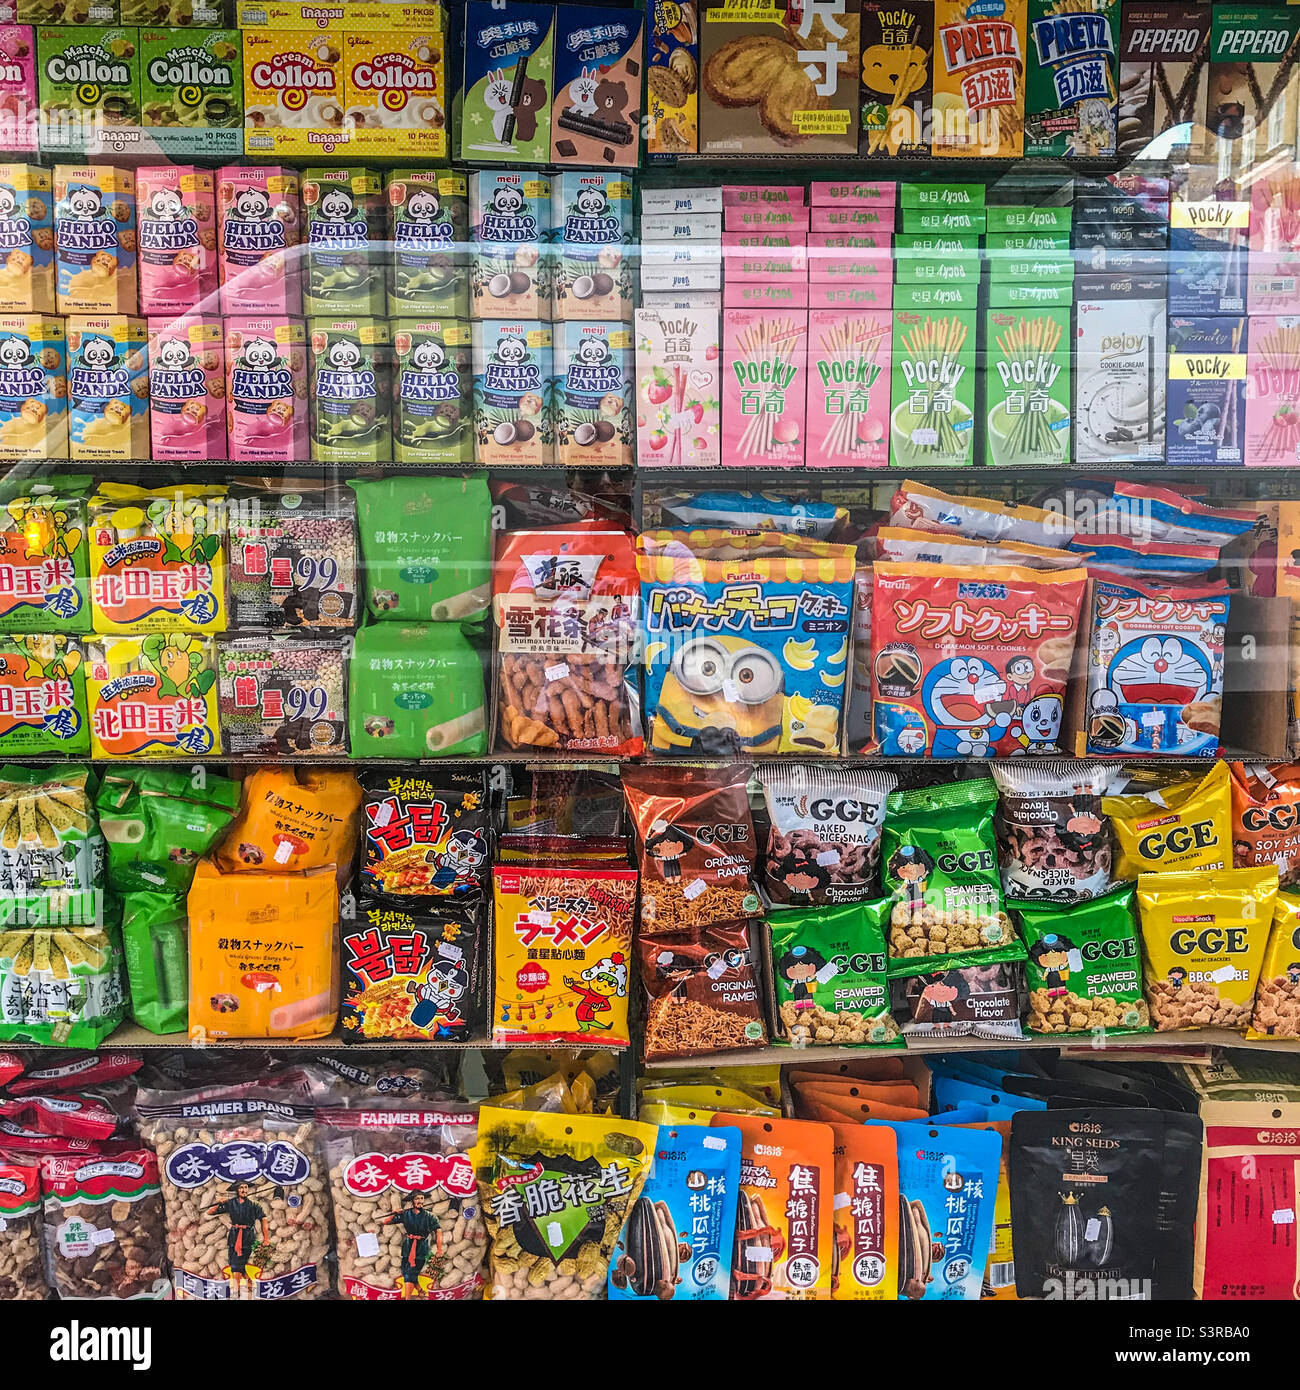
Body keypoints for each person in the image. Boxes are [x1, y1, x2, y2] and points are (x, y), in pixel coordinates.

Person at [206, 1180, 269, 1296]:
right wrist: (220, 1203)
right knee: (234, 1262)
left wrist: (266, 1238)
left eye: (246, 1187)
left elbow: (263, 1219)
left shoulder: (254, 1205)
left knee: (237, 1264)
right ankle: (249, 1284)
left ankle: (235, 1292)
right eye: (241, 1188)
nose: (244, 1190)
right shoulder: (231, 1203)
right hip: (234, 1236)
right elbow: (210, 1212)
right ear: (237, 1190)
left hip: (247, 1236)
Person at [379, 1190, 442, 1298]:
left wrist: (439, 1249)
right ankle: (421, 1291)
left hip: (421, 1248)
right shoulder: (406, 1214)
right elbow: (385, 1221)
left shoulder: (430, 1216)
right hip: (408, 1246)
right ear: (412, 1201)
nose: (420, 1201)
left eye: (422, 1198)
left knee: (409, 1275)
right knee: (406, 1273)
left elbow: (438, 1231)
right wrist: (395, 1213)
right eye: (417, 1198)